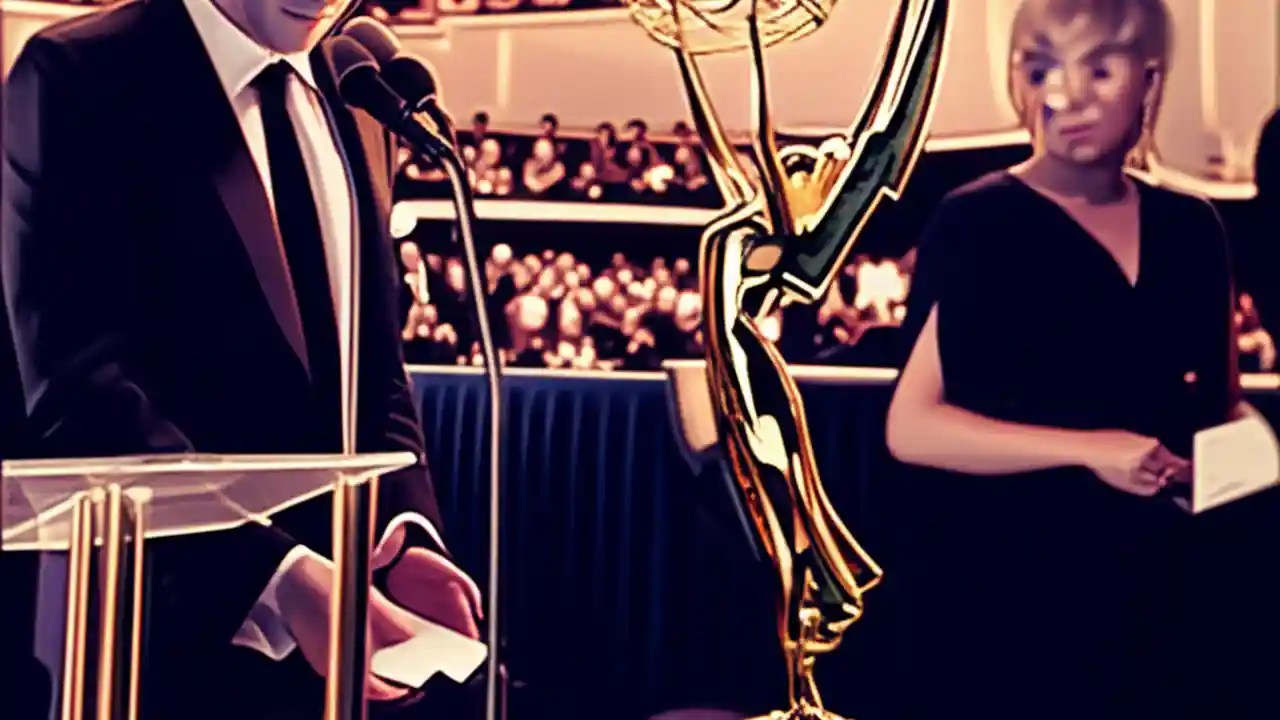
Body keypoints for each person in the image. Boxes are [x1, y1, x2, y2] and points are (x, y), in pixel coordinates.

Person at [2, 1, 482, 717]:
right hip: (145, 639)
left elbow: (374, 360)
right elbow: (81, 387)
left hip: (337, 654)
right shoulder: (80, 73)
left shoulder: (356, 86)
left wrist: (404, 535)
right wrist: (274, 572)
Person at [885, 1, 1266, 717]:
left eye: (1098, 66)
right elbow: (912, 426)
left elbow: (1220, 404)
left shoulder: (1194, 228)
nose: (1070, 95)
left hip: (1168, 583)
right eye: (1044, 68)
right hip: (1013, 581)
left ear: (1149, 79)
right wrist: (1089, 450)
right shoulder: (977, 221)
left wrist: (1240, 458)